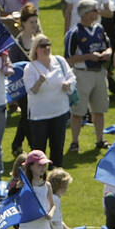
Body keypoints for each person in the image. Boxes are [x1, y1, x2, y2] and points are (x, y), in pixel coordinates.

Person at [65, 0, 111, 154]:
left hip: (99, 73)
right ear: (86, 13)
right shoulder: (74, 32)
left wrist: (106, 54)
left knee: (99, 109)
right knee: (78, 111)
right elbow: (69, 58)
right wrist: (88, 57)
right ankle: (75, 142)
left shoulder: (99, 29)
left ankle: (100, 139)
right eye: (94, 10)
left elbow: (109, 47)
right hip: (82, 74)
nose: (97, 13)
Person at [22, 35, 76, 164]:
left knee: (58, 148)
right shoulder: (30, 68)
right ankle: (37, 179)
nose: (46, 48)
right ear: (36, 49)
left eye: (48, 44)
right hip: (40, 116)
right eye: (42, 45)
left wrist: (68, 84)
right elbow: (31, 91)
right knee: (39, 152)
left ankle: (56, 176)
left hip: (60, 112)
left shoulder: (60, 61)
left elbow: (71, 77)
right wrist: (39, 82)